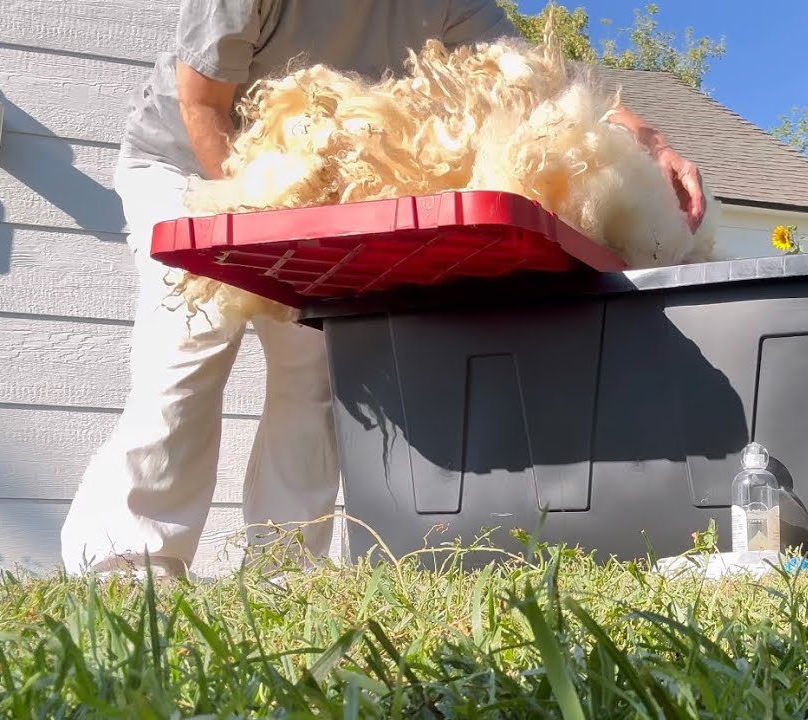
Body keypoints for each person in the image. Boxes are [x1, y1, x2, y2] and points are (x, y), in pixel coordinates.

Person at [60, 0, 709, 578]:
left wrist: (648, 140)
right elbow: (202, 103)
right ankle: (126, 559)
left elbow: (545, 78)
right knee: (192, 339)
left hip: (303, 182)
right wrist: (254, 216)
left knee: (311, 366)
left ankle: (283, 571)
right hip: (182, 163)